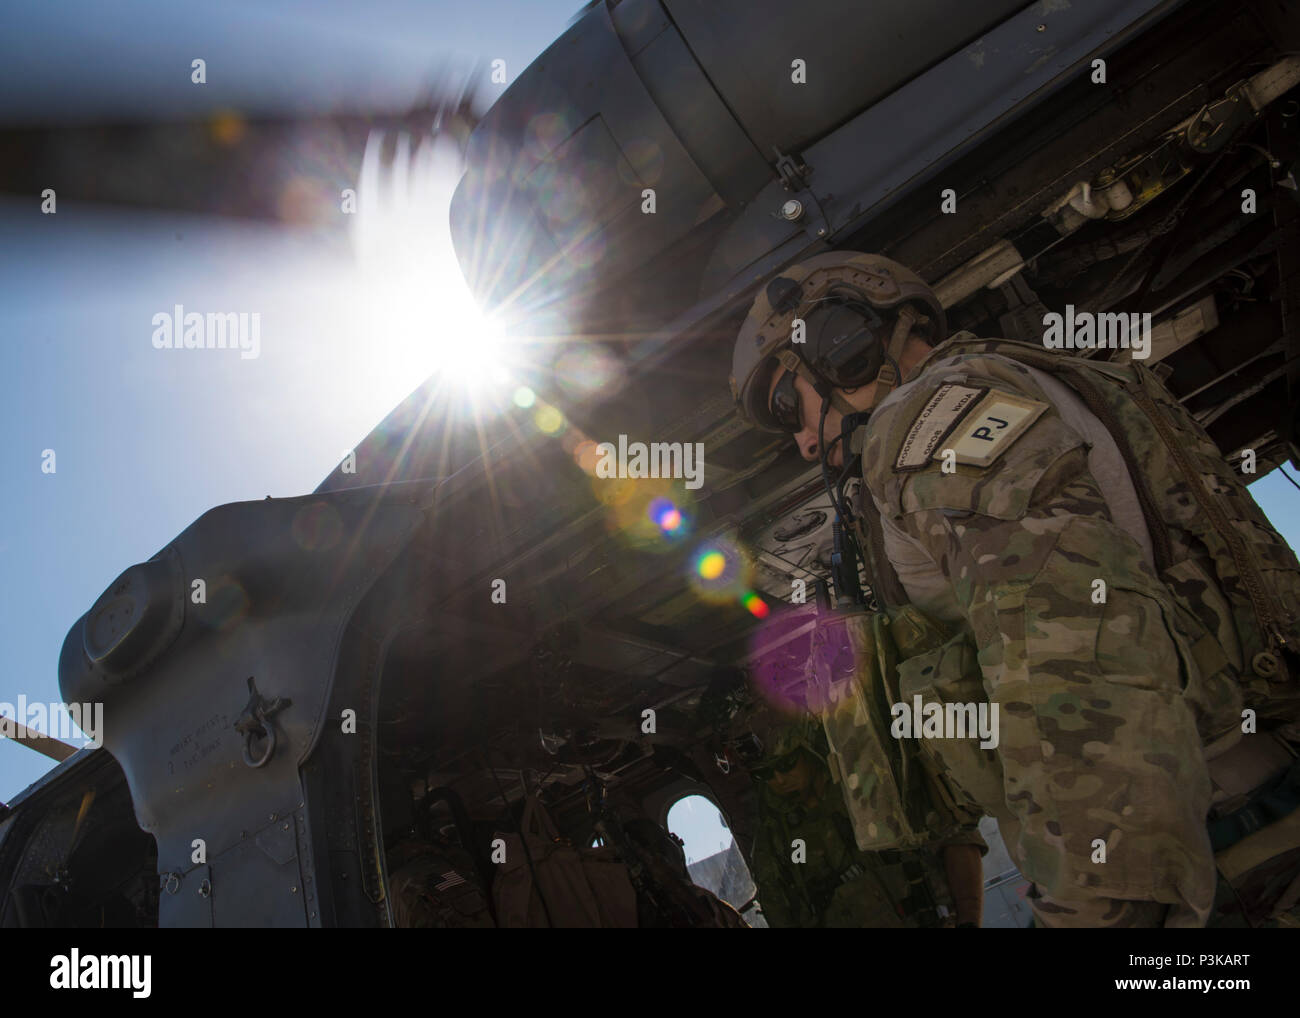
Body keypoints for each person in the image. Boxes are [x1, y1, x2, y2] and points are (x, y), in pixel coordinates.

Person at [730, 252, 1300, 928]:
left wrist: (1091, 908)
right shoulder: (1018, 383)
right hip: (1239, 828)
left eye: (784, 403)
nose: (800, 440)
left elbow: (1075, 661)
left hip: (1208, 866)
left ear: (834, 345)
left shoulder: (923, 421)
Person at [749, 719, 984, 927]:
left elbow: (955, 838)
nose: (779, 780)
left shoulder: (872, 781)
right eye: (765, 774)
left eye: (787, 764)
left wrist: (968, 919)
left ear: (808, 750)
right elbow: (780, 913)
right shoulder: (773, 841)